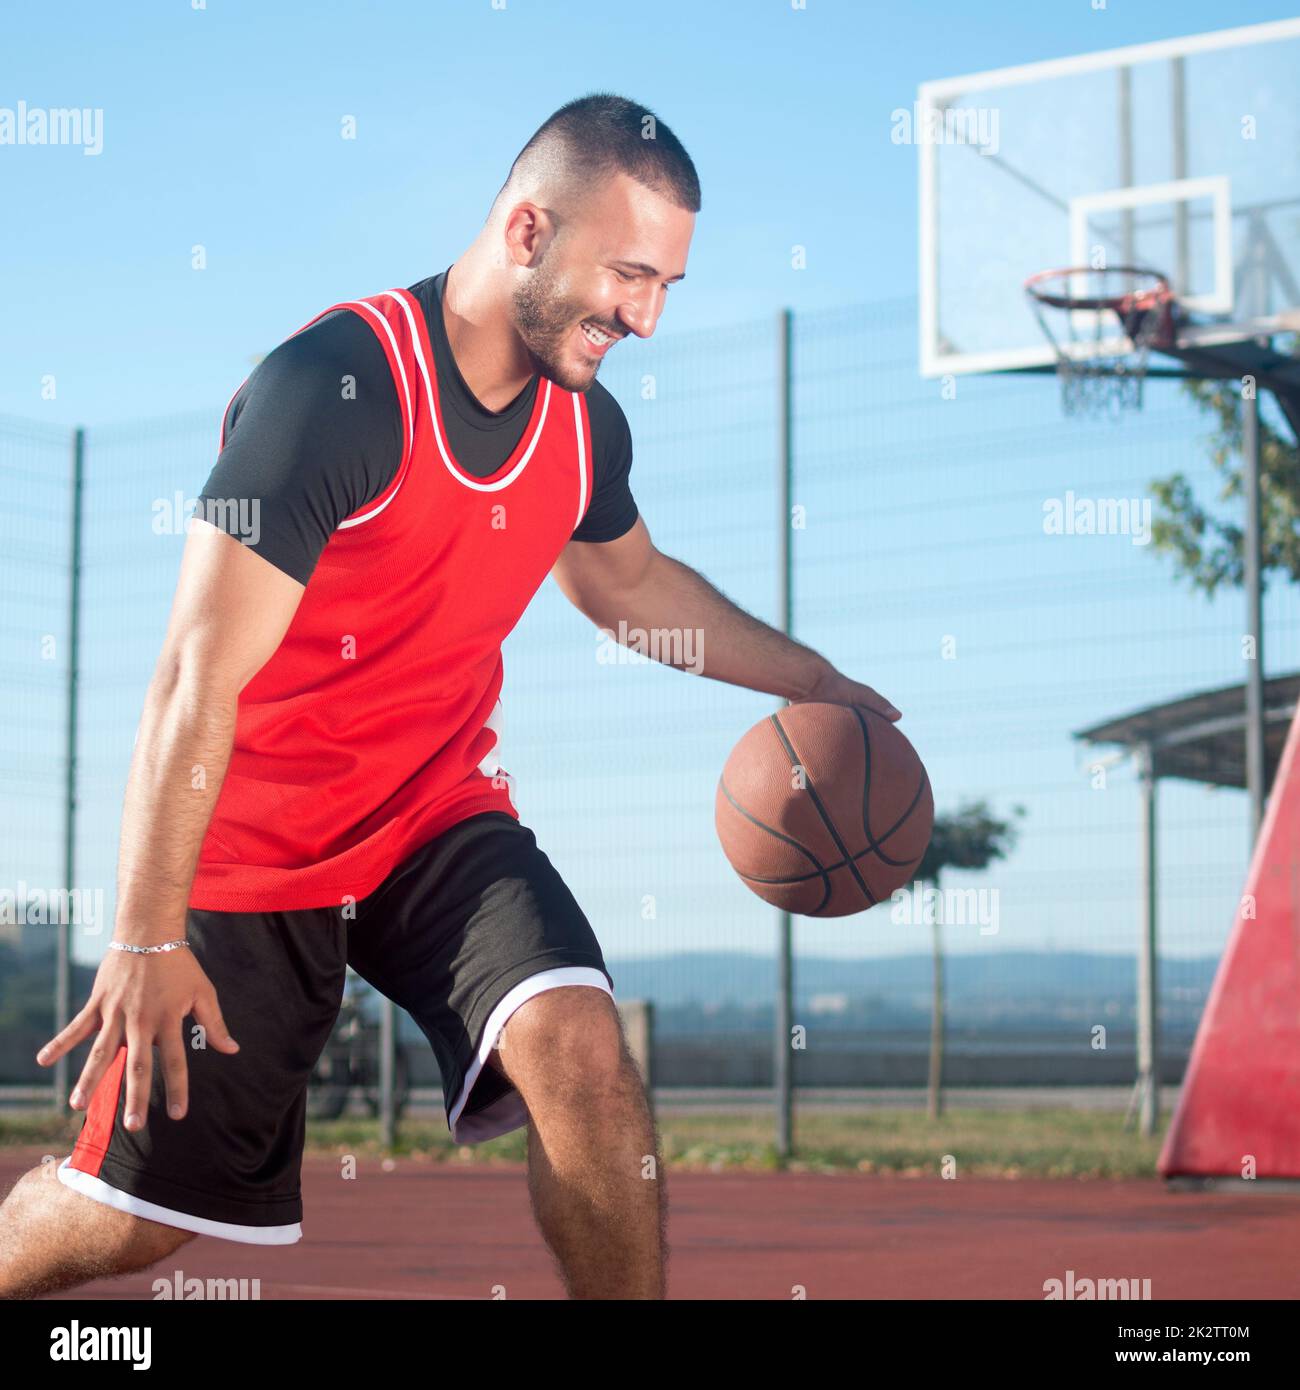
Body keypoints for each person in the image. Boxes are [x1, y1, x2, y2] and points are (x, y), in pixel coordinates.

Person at [0, 92, 899, 1301]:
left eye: (667, 286)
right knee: (134, 1226)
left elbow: (628, 587)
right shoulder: (333, 387)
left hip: (429, 813)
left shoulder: (582, 424)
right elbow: (190, 679)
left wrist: (817, 680)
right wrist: (148, 932)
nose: (645, 315)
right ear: (527, 231)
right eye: (629, 274)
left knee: (580, 1051)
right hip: (247, 840)